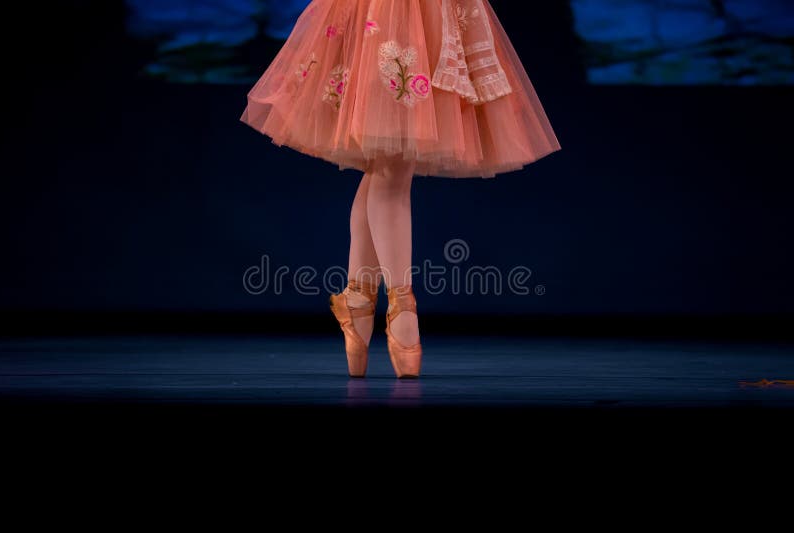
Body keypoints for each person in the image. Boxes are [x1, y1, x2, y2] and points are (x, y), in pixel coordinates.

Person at [240, 0, 561, 379]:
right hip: (385, 12)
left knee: (387, 164)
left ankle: (359, 300)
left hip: (430, 14)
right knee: (391, 164)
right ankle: (401, 306)